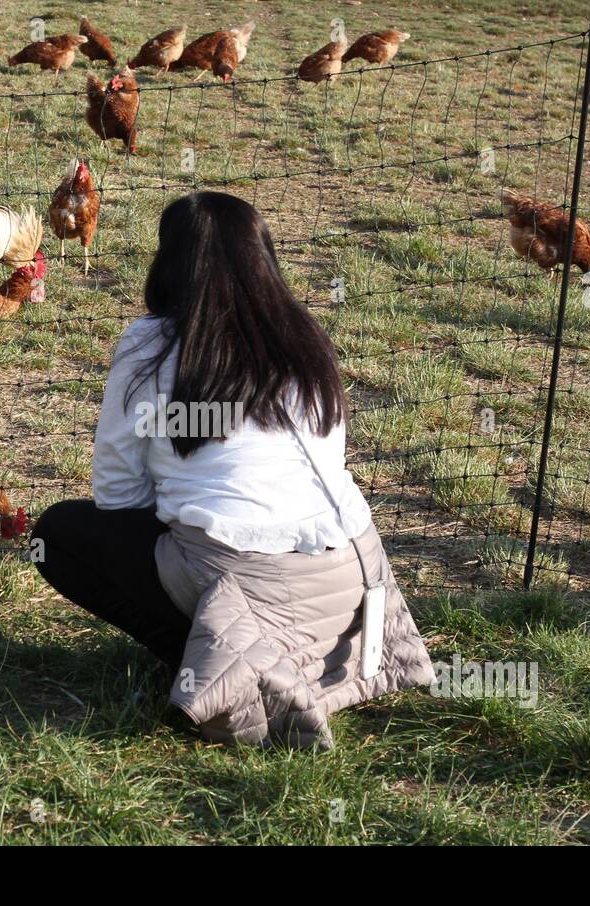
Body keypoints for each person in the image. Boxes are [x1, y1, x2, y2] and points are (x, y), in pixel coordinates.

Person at [32, 191, 433, 748]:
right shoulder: (307, 340)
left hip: (245, 574)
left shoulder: (151, 344)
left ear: (168, 262)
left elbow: (119, 494)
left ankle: (216, 664)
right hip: (355, 576)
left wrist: (180, 496)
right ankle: (242, 649)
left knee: (56, 534)